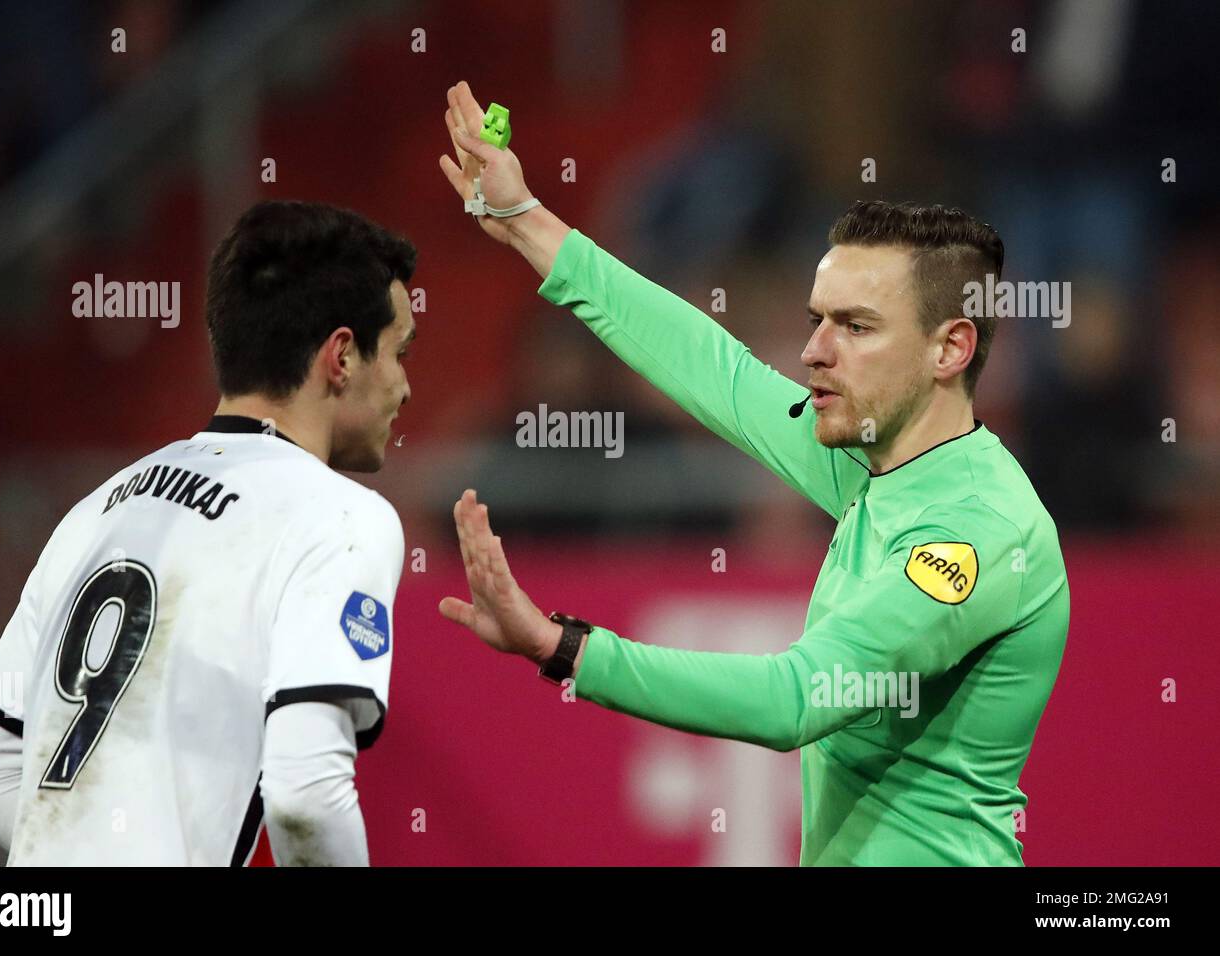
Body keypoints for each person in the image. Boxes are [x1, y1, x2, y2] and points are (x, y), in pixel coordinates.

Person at [436, 81, 1069, 866]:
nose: (813, 351)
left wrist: (562, 647)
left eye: (856, 327)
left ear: (950, 349)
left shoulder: (971, 534)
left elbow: (796, 699)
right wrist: (524, 218)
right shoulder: (879, 462)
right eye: (817, 320)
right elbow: (715, 368)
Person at [0, 200, 415, 866]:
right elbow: (306, 794)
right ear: (340, 356)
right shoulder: (339, 517)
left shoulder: (97, 507)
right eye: (399, 352)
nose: (406, 386)